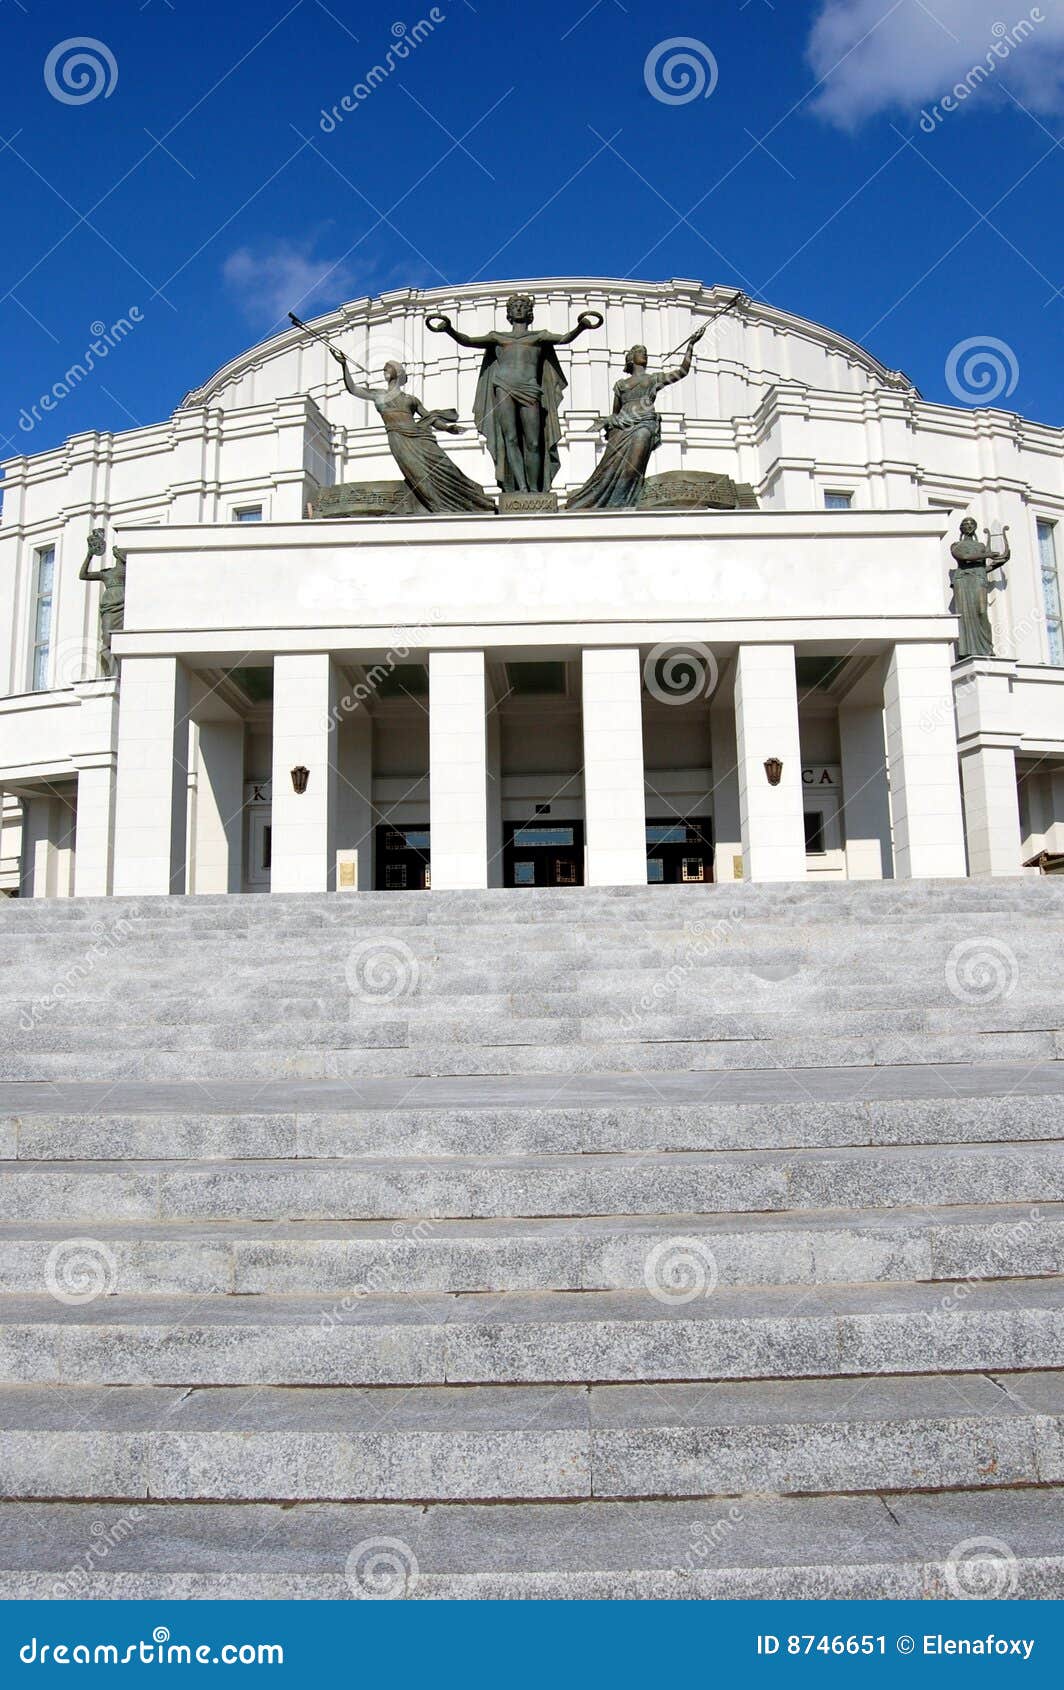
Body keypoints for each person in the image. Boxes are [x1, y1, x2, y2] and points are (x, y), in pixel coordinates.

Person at [331, 353, 494, 514]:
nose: (385, 370)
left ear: (398, 373)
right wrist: (344, 365)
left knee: (445, 466)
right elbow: (353, 389)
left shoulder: (411, 399)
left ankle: (474, 500)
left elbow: (428, 416)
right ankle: (440, 506)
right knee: (418, 475)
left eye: (389, 367)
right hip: (398, 438)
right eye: (384, 368)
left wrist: (447, 428)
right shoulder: (377, 394)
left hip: (418, 437)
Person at [567, 328, 707, 511]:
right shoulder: (621, 385)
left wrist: (690, 346)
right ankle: (610, 502)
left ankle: (628, 498)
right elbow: (615, 412)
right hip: (622, 428)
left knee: (634, 466)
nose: (644, 355)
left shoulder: (653, 379)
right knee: (608, 469)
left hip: (644, 424)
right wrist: (607, 422)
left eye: (645, 352)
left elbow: (682, 372)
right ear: (631, 359)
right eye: (640, 352)